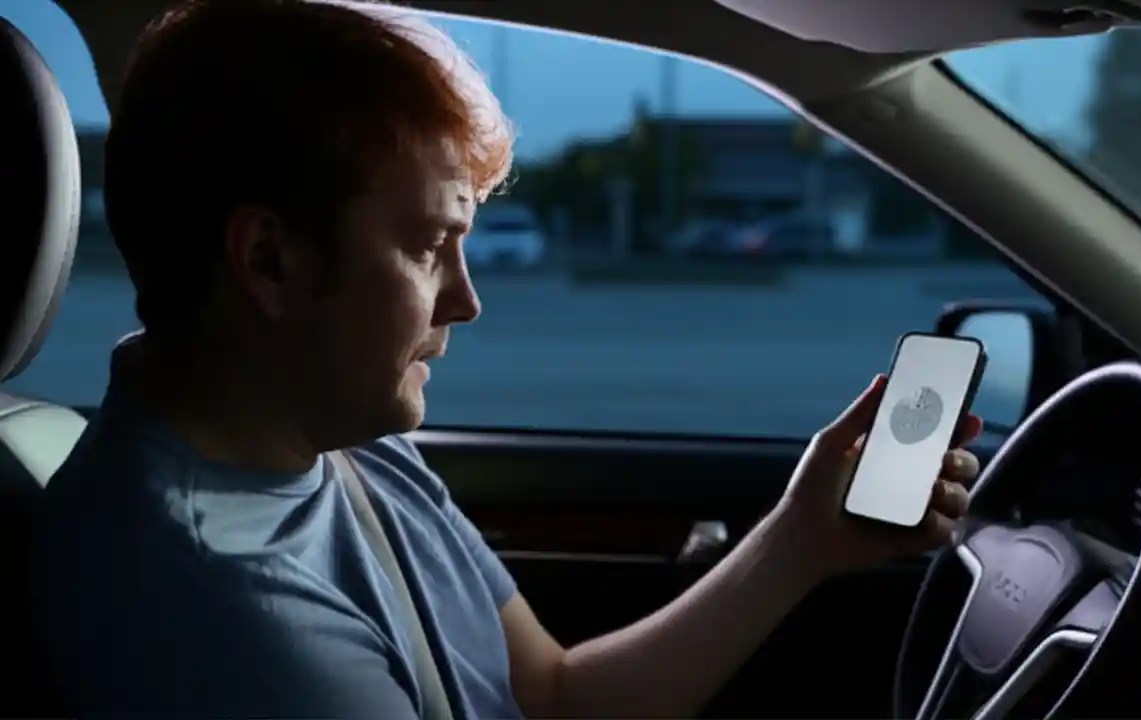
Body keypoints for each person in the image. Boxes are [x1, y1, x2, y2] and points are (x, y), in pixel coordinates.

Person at [31, 0, 982, 717]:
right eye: (427, 244)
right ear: (270, 261)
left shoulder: (340, 443)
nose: (468, 298)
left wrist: (799, 542)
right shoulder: (222, 618)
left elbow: (553, 694)